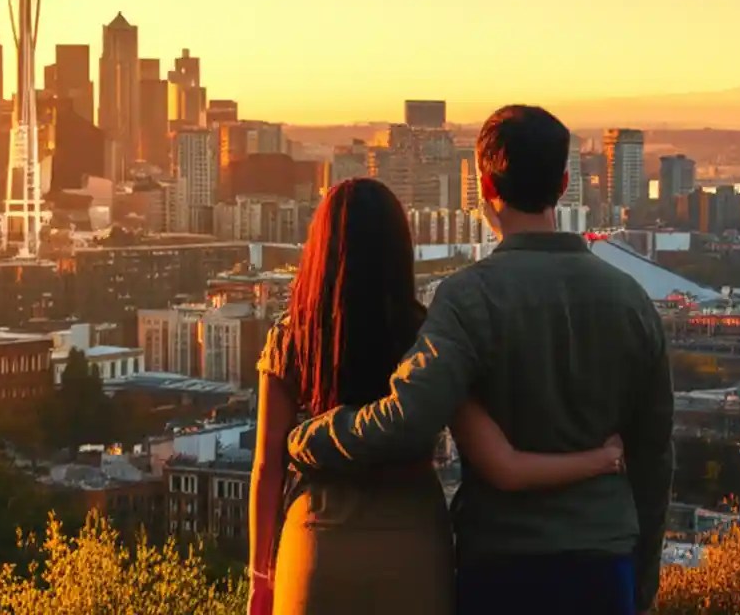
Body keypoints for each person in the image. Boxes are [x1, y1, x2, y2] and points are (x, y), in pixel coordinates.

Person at [286, 106, 675, 615]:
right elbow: (654, 458)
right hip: (604, 563)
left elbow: (407, 419)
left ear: (485, 185)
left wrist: (313, 436)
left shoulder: (467, 298)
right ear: (562, 185)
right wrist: (641, 581)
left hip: (502, 564)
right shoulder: (631, 301)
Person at [248, 177, 627, 615]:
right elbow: (500, 462)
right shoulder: (429, 338)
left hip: (317, 546)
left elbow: (265, 468)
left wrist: (260, 575)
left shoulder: (291, 338)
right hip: (413, 549)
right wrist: (601, 459)